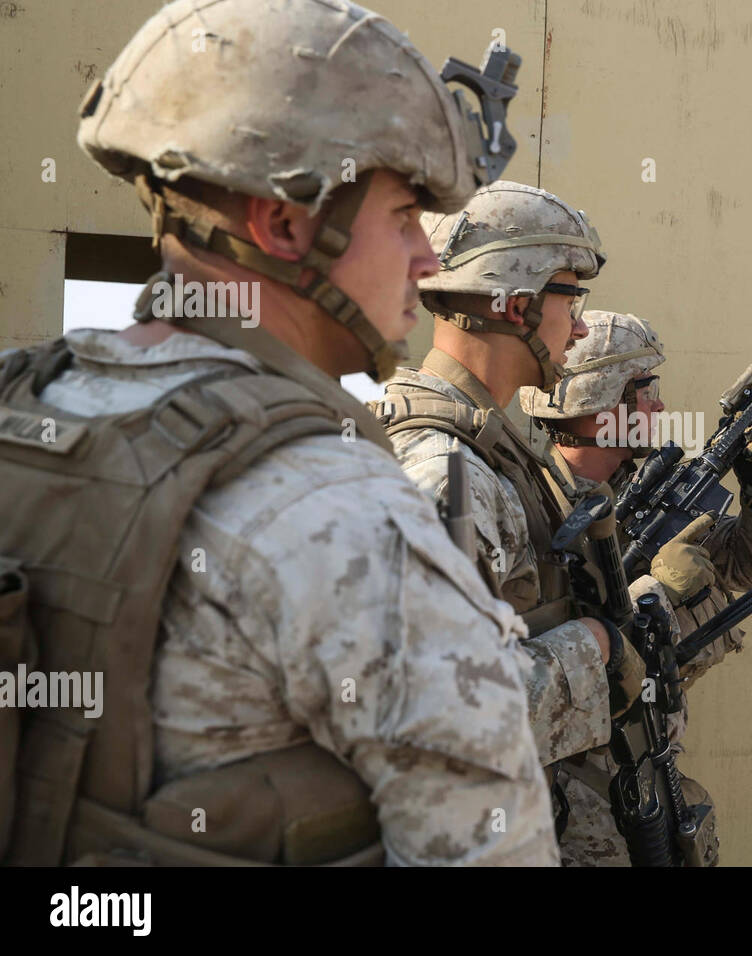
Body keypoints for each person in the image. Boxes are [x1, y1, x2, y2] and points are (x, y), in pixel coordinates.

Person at [0, 0, 567, 866]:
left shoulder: (21, 400)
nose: (427, 257)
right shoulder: (337, 508)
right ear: (286, 221)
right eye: (405, 215)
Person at [371, 184, 705, 831]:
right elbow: (436, 725)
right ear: (516, 300)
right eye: (568, 295)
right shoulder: (445, 474)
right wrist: (596, 643)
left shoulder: (486, 454)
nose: (580, 325)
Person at [519, 310, 752, 865]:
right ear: (598, 397)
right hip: (566, 793)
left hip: (649, 768)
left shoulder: (644, 488)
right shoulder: (529, 508)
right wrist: (654, 592)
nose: (659, 405)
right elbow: (536, 660)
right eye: (643, 390)